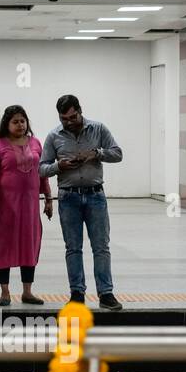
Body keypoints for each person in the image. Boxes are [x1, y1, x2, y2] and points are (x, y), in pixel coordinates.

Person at [39, 93, 123, 310]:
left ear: (80, 110)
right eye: (64, 119)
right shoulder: (53, 136)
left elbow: (117, 154)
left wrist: (97, 153)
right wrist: (59, 166)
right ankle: (77, 293)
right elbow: (41, 168)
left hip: (96, 195)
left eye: (72, 117)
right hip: (68, 197)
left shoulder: (99, 129)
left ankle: (106, 294)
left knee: (101, 247)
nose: (68, 122)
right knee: (73, 248)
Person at [0, 105, 53, 306]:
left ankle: (27, 292)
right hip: (5, 208)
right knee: (3, 245)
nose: (20, 125)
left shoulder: (36, 143)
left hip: (30, 208)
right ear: (7, 124)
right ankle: (5, 293)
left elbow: (43, 174)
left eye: (22, 121)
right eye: (15, 121)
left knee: (29, 246)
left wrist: (48, 199)